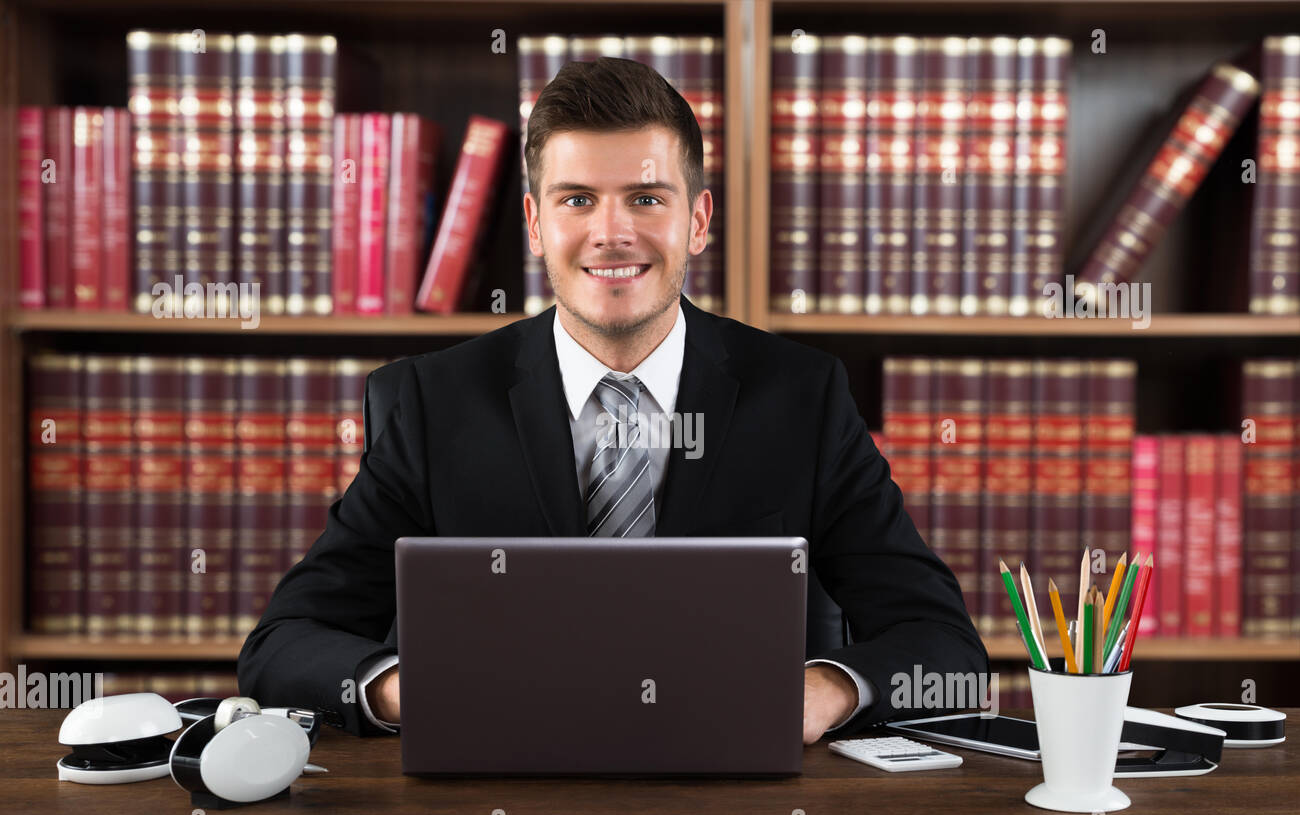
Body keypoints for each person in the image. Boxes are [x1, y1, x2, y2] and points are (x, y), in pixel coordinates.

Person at [238, 56, 988, 742]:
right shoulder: (431, 402)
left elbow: (946, 648)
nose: (612, 232)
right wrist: (415, 689)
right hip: (491, 807)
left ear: (696, 221)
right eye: (577, 200)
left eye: (645, 197)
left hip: (738, 805)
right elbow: (286, 642)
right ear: (536, 224)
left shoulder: (803, 397)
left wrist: (825, 690)